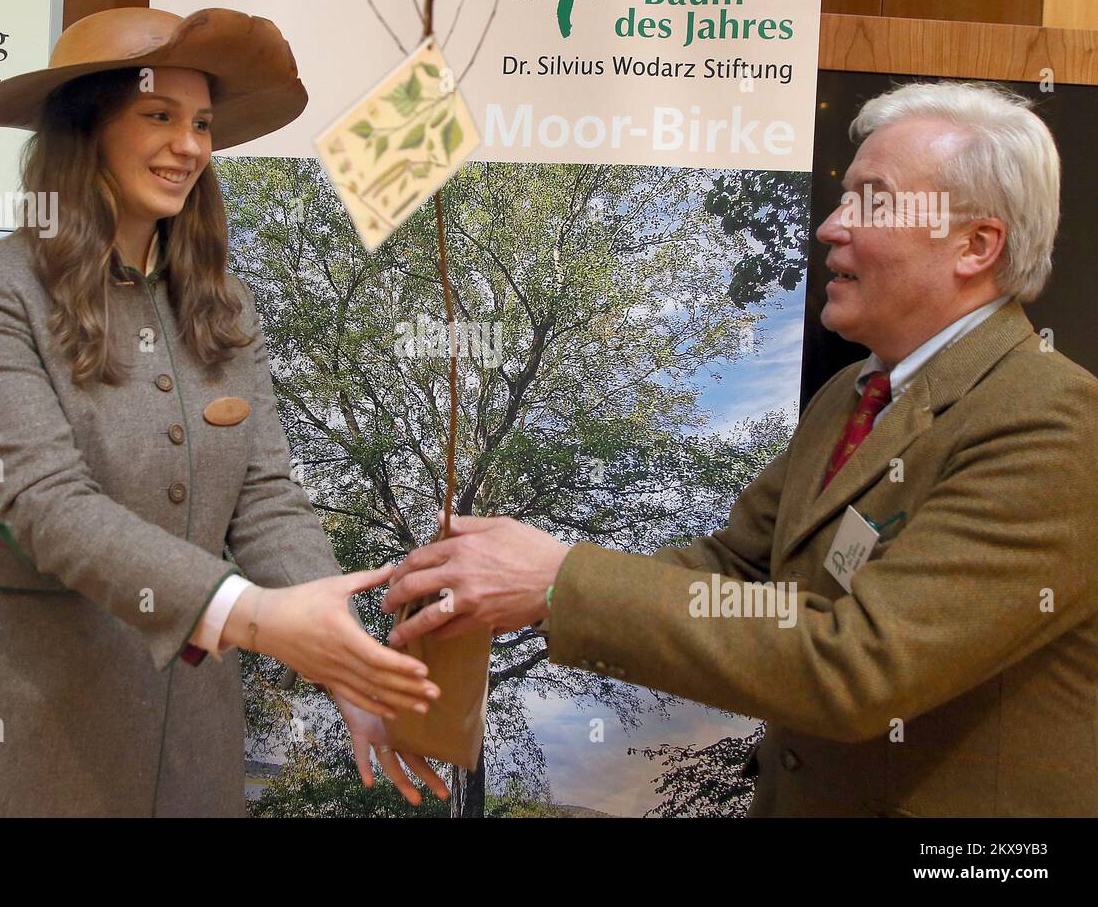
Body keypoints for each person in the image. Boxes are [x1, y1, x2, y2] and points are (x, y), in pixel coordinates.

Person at [382, 80, 1098, 817]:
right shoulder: (853, 393)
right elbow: (734, 567)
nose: (829, 226)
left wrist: (563, 583)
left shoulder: (1054, 423)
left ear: (976, 245)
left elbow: (859, 665)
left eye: (870, 201)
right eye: (842, 196)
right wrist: (517, 587)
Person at [0, 7, 448, 816]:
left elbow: (267, 497)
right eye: (159, 116)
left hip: (187, 745)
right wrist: (251, 614)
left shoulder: (224, 305)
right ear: (86, 129)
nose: (191, 146)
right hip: (18, 732)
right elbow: (41, 500)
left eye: (203, 123)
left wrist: (345, 663)